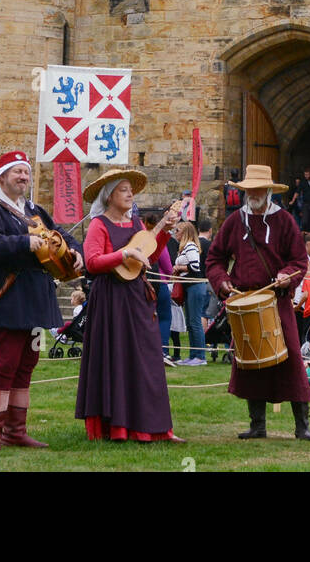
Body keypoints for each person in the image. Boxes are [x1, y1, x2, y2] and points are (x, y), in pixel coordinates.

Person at [0, 150, 84, 450]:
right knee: (6, 361)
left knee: (28, 362)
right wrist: (23, 243)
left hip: (35, 295)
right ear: (2, 176)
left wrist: (75, 250)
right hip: (8, 294)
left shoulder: (33, 209)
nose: (23, 177)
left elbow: (60, 233)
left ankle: (16, 431)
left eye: (26, 172)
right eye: (17, 171)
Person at [205, 163, 310, 441]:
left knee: (291, 359)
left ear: (268, 191)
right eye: (249, 189)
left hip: (277, 301)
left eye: (258, 189)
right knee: (250, 363)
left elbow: (299, 261)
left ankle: (302, 426)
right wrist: (222, 282)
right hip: (244, 301)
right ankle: (257, 425)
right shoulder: (234, 222)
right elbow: (214, 259)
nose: (253, 194)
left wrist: (286, 275)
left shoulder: (285, 220)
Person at [75, 168, 183, 442]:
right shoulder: (99, 225)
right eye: (123, 190)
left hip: (136, 297)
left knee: (147, 360)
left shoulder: (135, 223)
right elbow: (92, 263)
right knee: (116, 358)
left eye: (130, 190)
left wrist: (164, 232)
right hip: (109, 300)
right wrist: (123, 254)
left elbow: (148, 257)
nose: (130, 194)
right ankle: (118, 427)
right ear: (109, 196)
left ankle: (154, 427)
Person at [171, 219, 208, 365]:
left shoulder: (190, 246)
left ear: (184, 232)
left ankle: (200, 356)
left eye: (177, 230)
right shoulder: (185, 247)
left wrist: (178, 268)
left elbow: (195, 266)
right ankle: (193, 355)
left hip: (195, 286)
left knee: (195, 321)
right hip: (189, 287)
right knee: (191, 323)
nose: (175, 233)